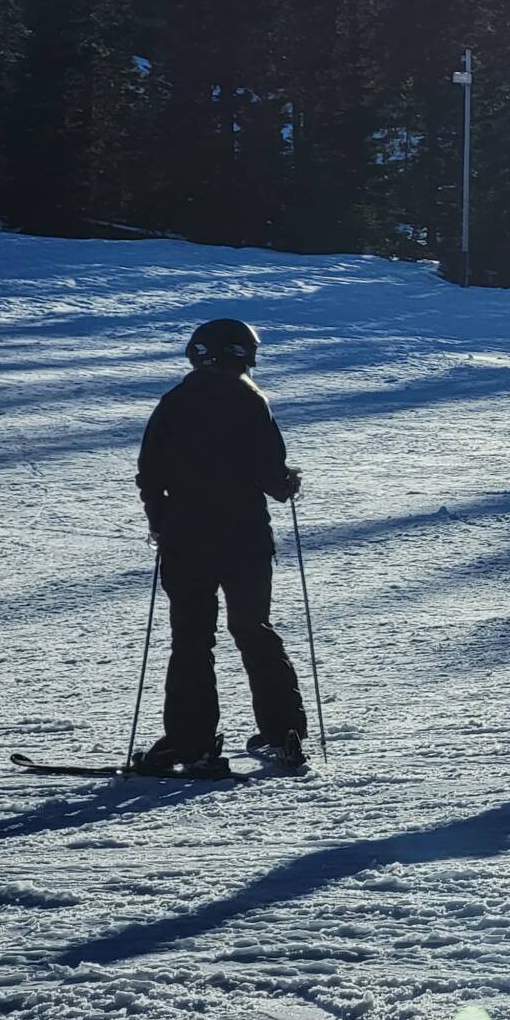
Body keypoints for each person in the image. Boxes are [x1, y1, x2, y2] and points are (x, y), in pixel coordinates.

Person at [135, 318, 308, 770]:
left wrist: (159, 522)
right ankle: (283, 732)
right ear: (245, 356)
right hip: (245, 539)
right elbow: (272, 476)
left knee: (191, 639)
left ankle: (191, 744)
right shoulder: (251, 401)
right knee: (253, 630)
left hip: (186, 539)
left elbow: (149, 472)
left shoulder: (173, 402)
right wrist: (288, 484)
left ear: (196, 354)